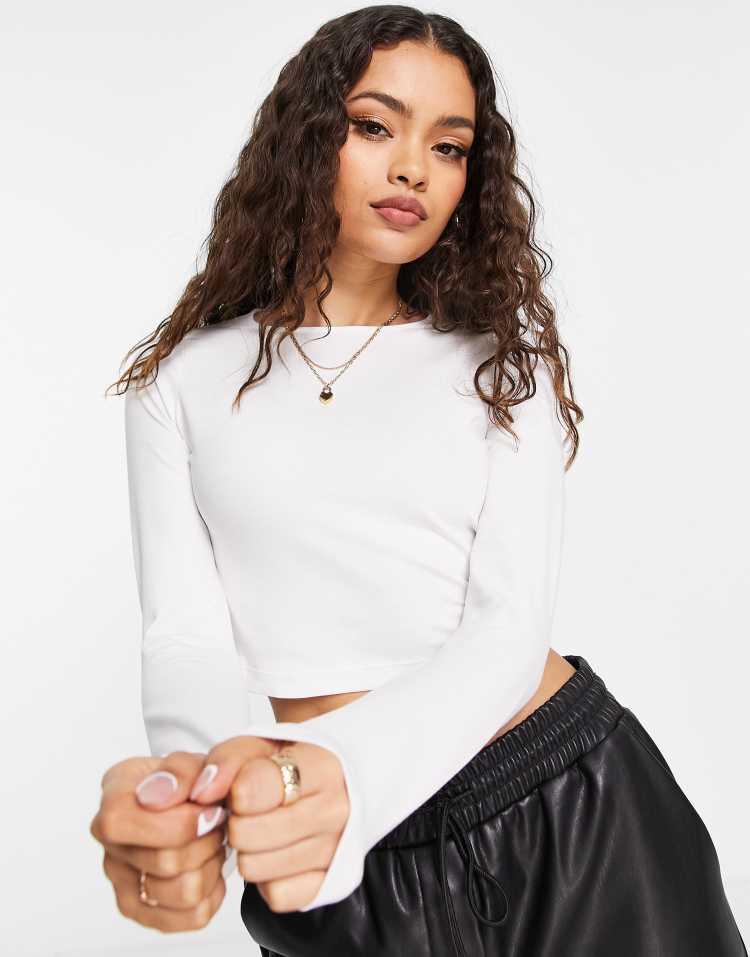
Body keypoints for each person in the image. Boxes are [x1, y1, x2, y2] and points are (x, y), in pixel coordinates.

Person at [90, 5, 748, 955]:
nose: (412, 169)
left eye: (449, 146)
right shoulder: (181, 384)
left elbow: (509, 627)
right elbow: (185, 635)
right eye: (374, 126)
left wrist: (342, 773)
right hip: (336, 851)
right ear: (307, 139)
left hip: (571, 809)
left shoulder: (500, 368)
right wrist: (197, 797)